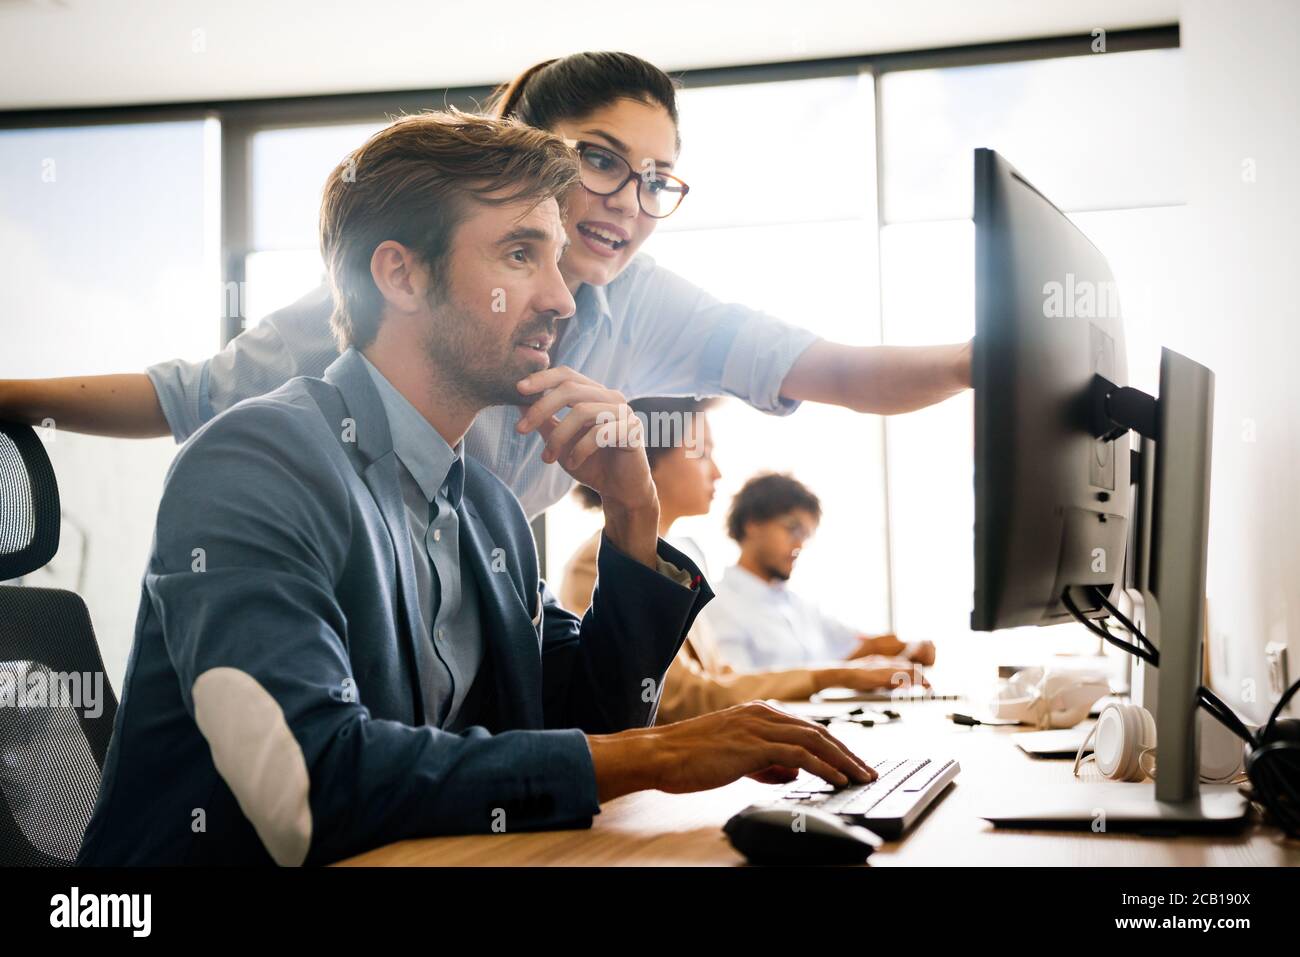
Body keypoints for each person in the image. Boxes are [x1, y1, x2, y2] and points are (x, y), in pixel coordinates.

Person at [76, 113, 873, 867]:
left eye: (558, 258)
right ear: (402, 274)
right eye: (521, 254)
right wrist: (660, 752)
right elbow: (305, 778)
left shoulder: (485, 504)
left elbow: (591, 723)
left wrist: (633, 520)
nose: (563, 298)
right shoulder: (257, 462)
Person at [0, 51, 971, 520]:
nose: (628, 202)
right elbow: (188, 397)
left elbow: (833, 368)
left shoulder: (644, 305)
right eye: (597, 159)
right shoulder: (403, 284)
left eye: (658, 179)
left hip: (465, 628)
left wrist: (986, 363)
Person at [560, 397, 928, 723]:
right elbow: (686, 699)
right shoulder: (602, 561)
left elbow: (721, 679)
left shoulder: (673, 562)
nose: (717, 471)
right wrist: (834, 675)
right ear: (644, 462)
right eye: (702, 452)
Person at [703, 472, 937, 672]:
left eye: (806, 535)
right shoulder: (716, 605)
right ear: (752, 523)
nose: (800, 545)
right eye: (792, 529)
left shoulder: (801, 608)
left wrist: (908, 649)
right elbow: (735, 692)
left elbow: (860, 644)